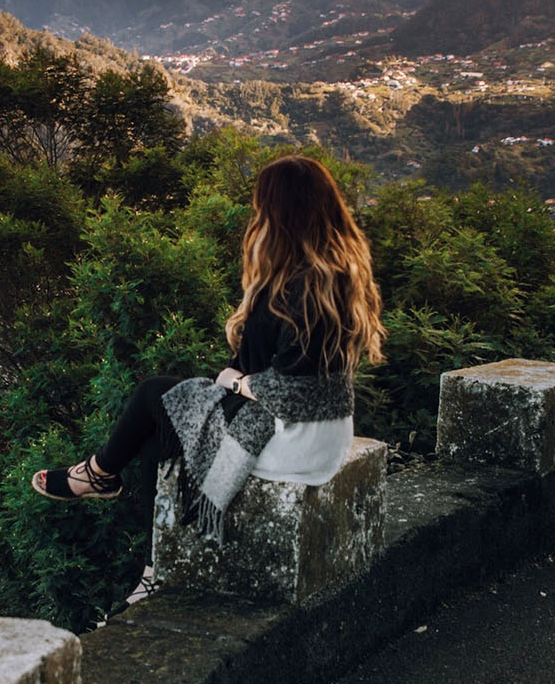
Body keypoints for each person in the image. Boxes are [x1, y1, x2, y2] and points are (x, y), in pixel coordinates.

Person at [32, 154, 385, 539]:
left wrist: (235, 382)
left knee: (153, 393)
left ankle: (97, 473)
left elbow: (289, 393)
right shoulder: (333, 277)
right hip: (329, 436)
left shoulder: (295, 290)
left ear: (279, 215)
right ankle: (150, 562)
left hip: (294, 444)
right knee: (158, 435)